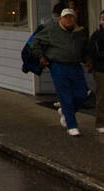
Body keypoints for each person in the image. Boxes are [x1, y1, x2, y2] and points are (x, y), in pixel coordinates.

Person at [34, 7, 89, 136]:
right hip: (58, 66)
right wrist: (41, 56)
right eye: (66, 17)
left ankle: (65, 112)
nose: (68, 20)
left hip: (75, 66)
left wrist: (88, 60)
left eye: (71, 17)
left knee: (82, 94)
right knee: (65, 96)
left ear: (75, 19)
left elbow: (85, 49)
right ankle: (72, 125)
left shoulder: (80, 33)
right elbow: (35, 42)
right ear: (61, 19)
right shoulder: (52, 29)